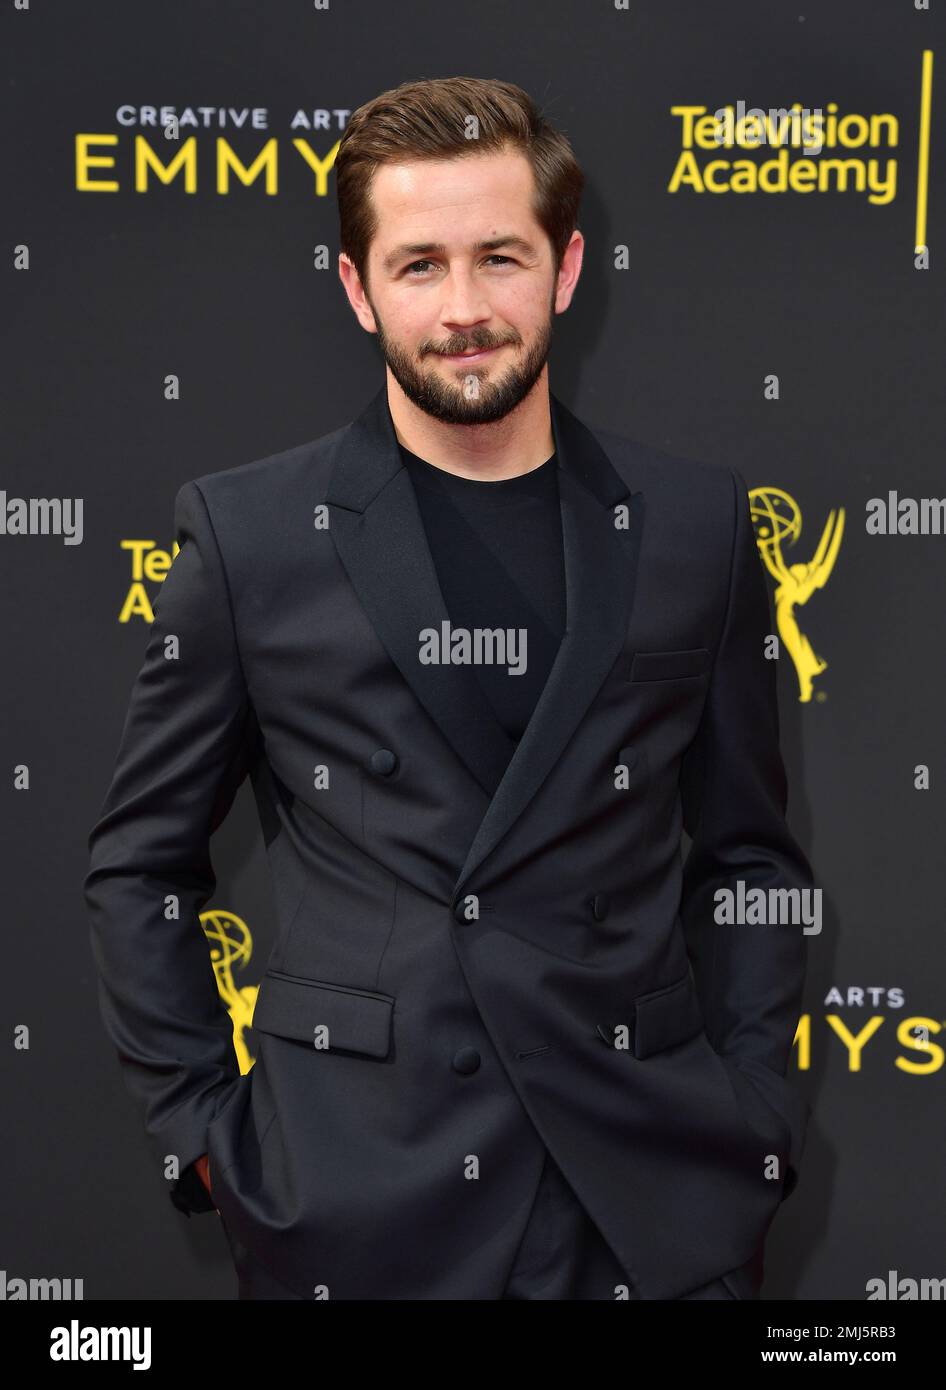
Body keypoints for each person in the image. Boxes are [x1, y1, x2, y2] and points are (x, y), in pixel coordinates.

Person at [85, 75, 813, 1301]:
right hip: (358, 1207)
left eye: (501, 258)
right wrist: (209, 1141)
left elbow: (749, 862)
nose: (465, 311)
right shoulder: (251, 535)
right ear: (357, 288)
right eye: (419, 265)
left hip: (644, 1206)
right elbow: (140, 866)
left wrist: (752, 1108)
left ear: (567, 269)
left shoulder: (696, 527)